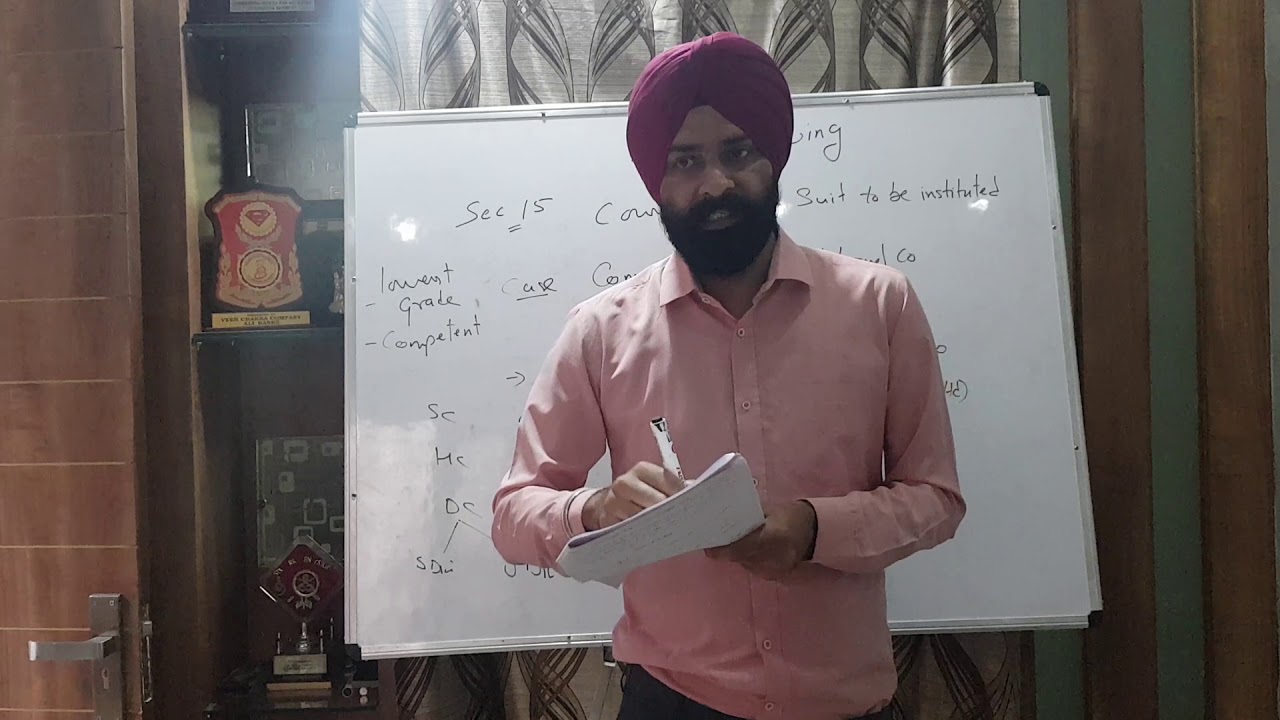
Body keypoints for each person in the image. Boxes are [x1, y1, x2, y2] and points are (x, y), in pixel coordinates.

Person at [491, 32, 965, 720]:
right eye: (685, 161)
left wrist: (814, 529)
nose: (715, 183)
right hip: (672, 701)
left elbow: (936, 498)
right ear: (657, 182)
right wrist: (594, 511)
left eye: (738, 152)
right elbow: (513, 514)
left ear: (772, 158)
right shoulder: (601, 331)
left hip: (844, 704)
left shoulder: (879, 305)